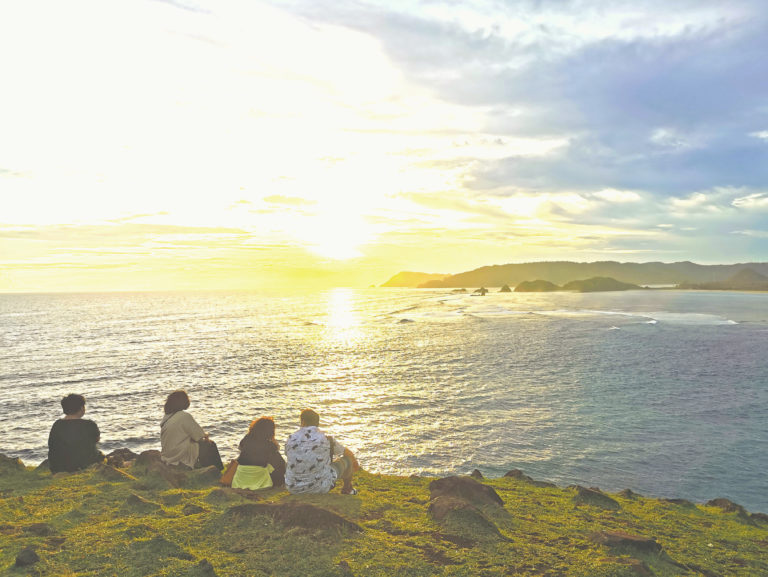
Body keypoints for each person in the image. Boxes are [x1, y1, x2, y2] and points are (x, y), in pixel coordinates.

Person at [284, 408, 359, 495]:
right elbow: (347, 452)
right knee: (348, 460)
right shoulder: (326, 439)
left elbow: (288, 455)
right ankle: (347, 489)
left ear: (303, 421)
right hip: (320, 487)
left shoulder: (291, 438)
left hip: (293, 488)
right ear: (317, 423)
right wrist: (355, 462)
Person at [160, 390, 223, 470]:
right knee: (210, 445)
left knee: (201, 444)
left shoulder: (167, 418)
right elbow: (199, 436)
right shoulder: (184, 416)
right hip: (179, 455)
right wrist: (206, 435)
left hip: (168, 455)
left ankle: (207, 469)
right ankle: (217, 471)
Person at [48, 394, 105, 473]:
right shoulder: (89, 424)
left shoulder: (56, 424)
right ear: (81, 408)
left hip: (58, 467)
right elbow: (96, 439)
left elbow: (52, 444)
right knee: (99, 454)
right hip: (84, 464)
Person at [231, 416, 286, 490]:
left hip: (241, 477)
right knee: (279, 464)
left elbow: (242, 450)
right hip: (258, 477)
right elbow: (280, 463)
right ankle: (279, 482)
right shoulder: (269, 444)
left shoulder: (246, 439)